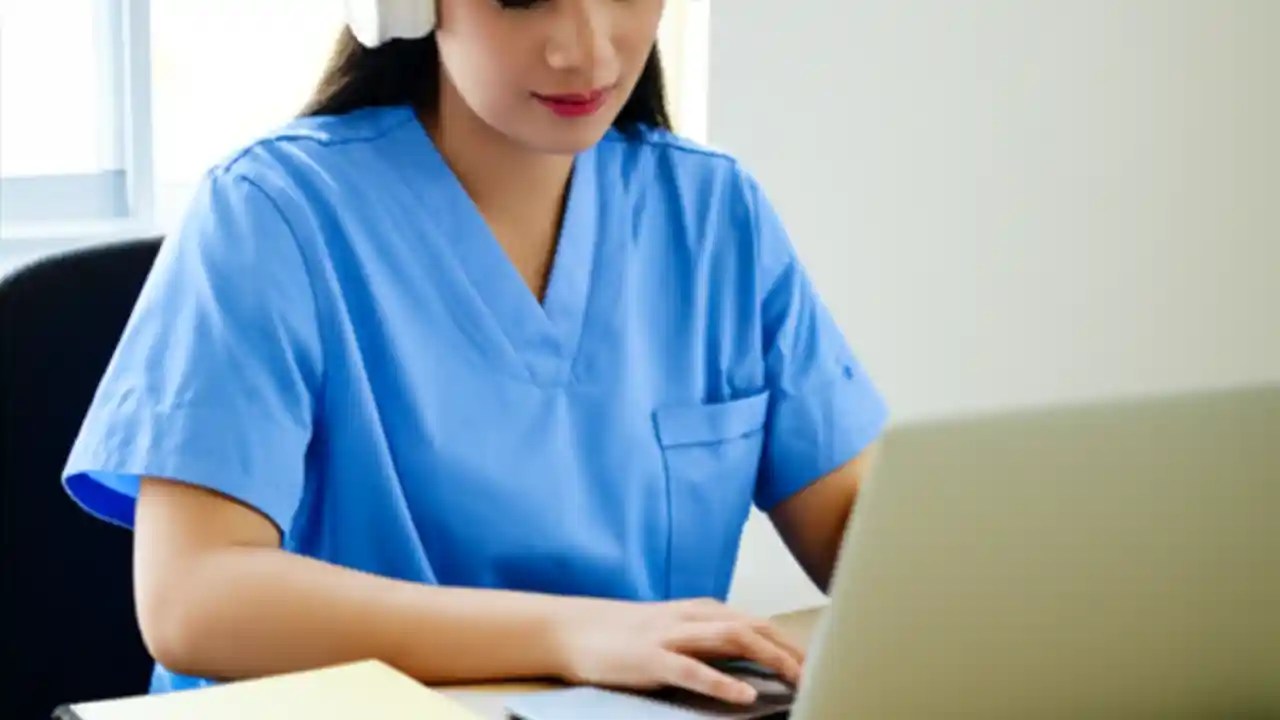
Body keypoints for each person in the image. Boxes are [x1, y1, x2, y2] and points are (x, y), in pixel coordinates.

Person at [63, 0, 888, 706]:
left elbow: (866, 538)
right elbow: (193, 600)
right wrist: (573, 633)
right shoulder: (269, 214)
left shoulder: (714, 216)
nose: (588, 49)